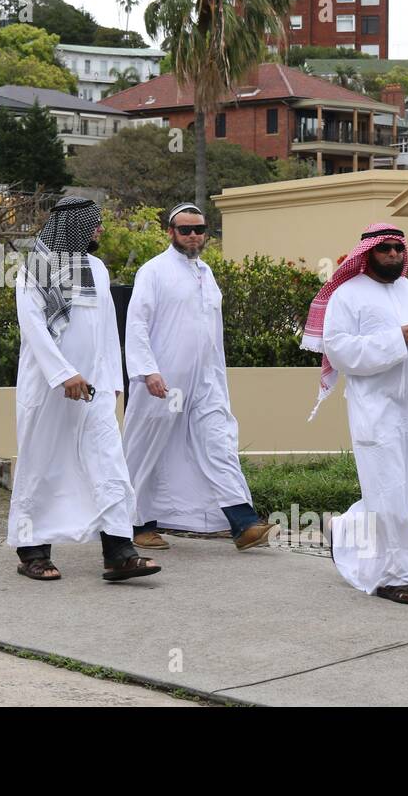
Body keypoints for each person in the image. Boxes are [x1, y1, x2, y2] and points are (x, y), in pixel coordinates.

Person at [301, 224, 408, 606]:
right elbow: (339, 351)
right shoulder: (347, 294)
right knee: (388, 489)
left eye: (398, 249)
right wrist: (396, 338)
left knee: (406, 491)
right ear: (368, 252)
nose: (393, 254)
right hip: (377, 407)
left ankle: (345, 529)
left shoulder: (407, 290)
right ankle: (397, 577)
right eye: (385, 248)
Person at [9, 196, 158, 582]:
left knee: (109, 464)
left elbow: (108, 331)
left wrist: (112, 383)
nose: (100, 230)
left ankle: (119, 552)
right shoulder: (35, 270)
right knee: (43, 466)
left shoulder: (98, 268)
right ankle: (33, 552)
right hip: (48, 391)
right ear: (73, 226)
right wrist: (63, 374)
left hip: (96, 392)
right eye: (94, 223)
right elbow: (34, 329)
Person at [123, 202, 276, 552]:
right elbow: (137, 323)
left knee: (217, 442)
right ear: (171, 232)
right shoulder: (153, 271)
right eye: (185, 230)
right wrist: (147, 370)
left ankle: (243, 523)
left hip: (206, 382)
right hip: (164, 382)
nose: (193, 236)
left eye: (199, 230)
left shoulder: (206, 272)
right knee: (148, 449)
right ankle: (136, 524)